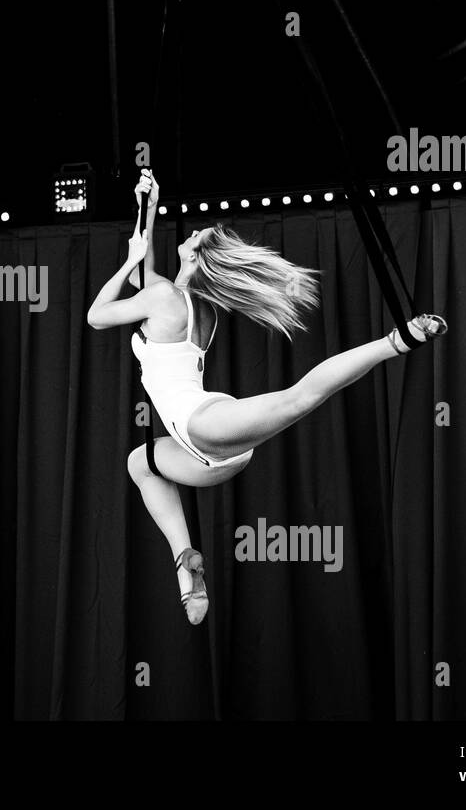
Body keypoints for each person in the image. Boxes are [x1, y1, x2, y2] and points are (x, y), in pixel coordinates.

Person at [87, 171, 447, 624]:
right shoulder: (197, 305)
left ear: (197, 255)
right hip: (211, 449)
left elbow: (97, 316)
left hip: (205, 426)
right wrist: (148, 206)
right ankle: (185, 564)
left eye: (197, 234)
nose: (192, 232)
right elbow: (148, 270)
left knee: (300, 399)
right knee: (140, 463)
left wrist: (128, 261)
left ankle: (399, 341)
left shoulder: (163, 296)